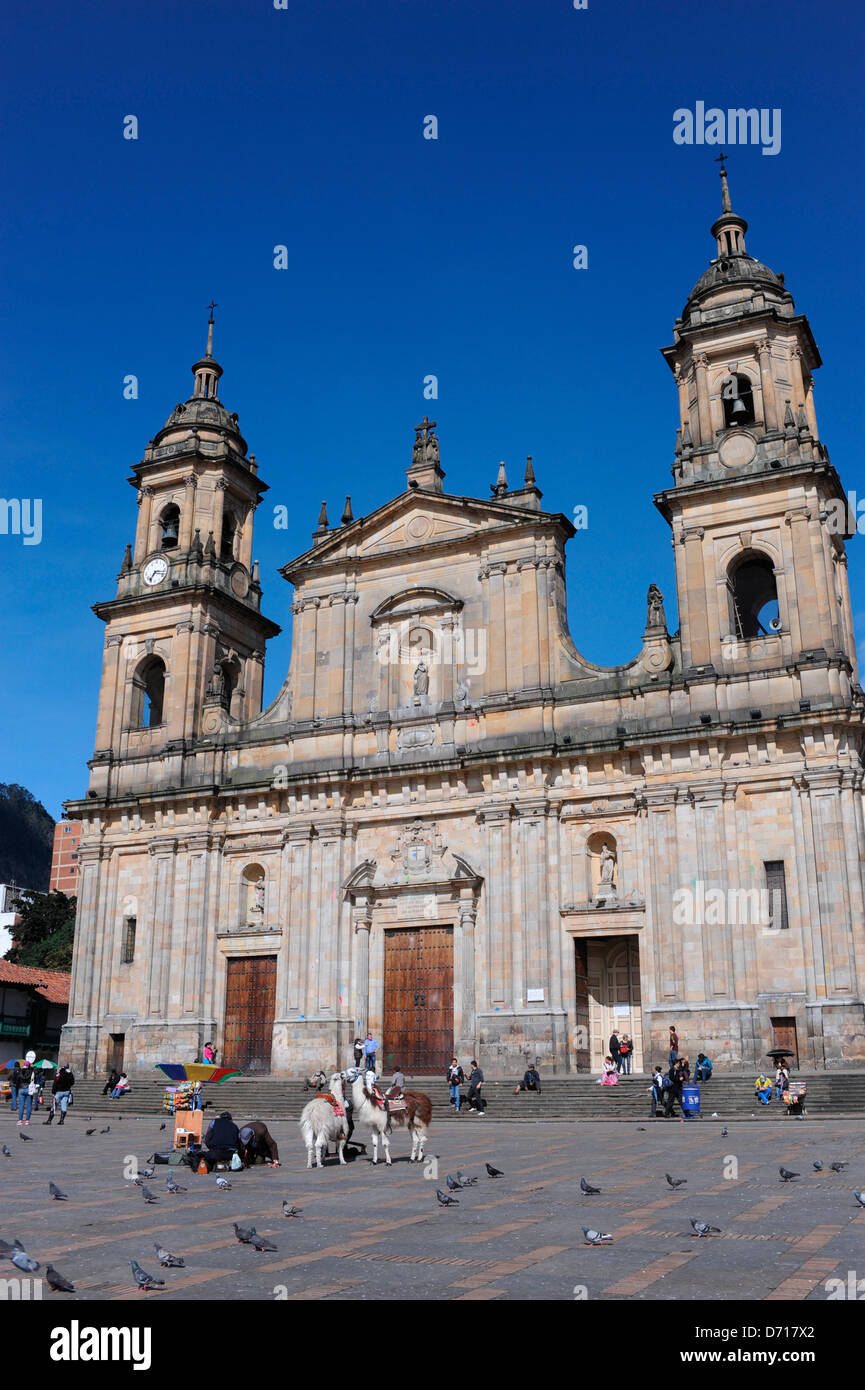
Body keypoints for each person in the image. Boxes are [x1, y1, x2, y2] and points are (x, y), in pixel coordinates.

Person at [13, 1053, 42, 1126]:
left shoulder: (20, 1072)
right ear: (29, 1066)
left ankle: (20, 1121)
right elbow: (35, 1077)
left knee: (21, 1106)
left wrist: (16, 1091)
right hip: (29, 1089)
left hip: (21, 1089)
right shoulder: (32, 1072)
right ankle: (27, 1121)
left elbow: (17, 1082)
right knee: (29, 1106)